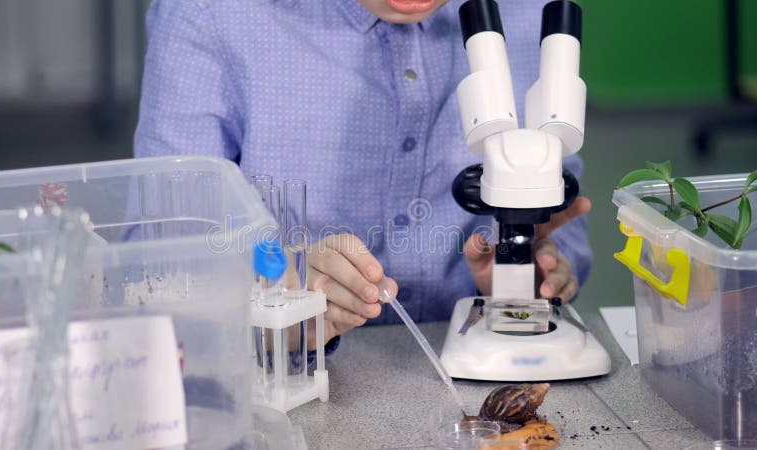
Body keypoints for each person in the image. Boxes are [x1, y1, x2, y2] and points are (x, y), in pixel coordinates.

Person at [134, 0, 592, 350]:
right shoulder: (211, 14)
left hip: (473, 358)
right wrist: (274, 298)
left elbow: (563, 209)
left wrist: (527, 276)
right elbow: (153, 260)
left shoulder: (534, 12)